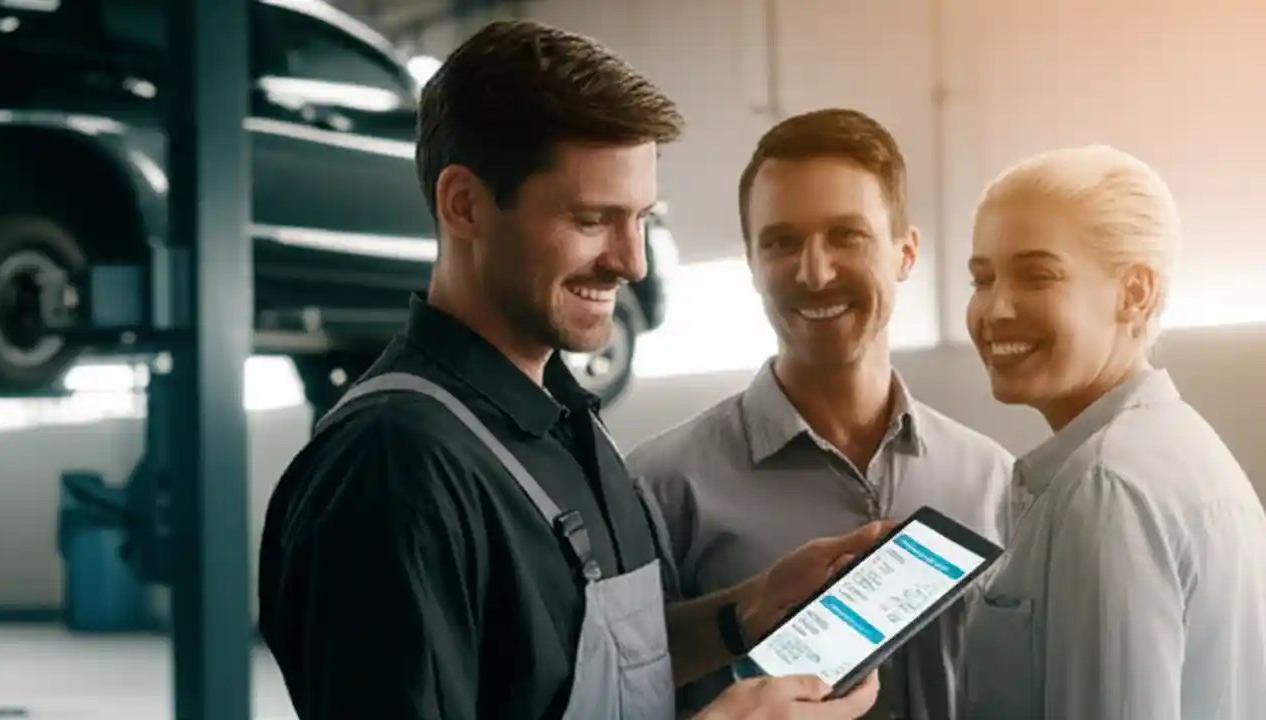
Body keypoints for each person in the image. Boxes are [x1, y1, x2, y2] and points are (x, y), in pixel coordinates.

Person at [257, 20, 882, 720]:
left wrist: (744, 612)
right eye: (592, 219)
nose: (633, 262)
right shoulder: (396, 471)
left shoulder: (566, 424)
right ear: (463, 204)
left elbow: (565, 671)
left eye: (641, 218)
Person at [627, 108, 1014, 719]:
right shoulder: (659, 487)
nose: (815, 271)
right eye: (781, 241)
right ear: (752, 264)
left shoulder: (992, 480)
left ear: (905, 253)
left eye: (846, 235)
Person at [960, 145, 1266, 719]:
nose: (996, 308)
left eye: (1037, 275)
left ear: (1135, 292)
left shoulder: (1105, 487)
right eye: (982, 278)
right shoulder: (1185, 452)